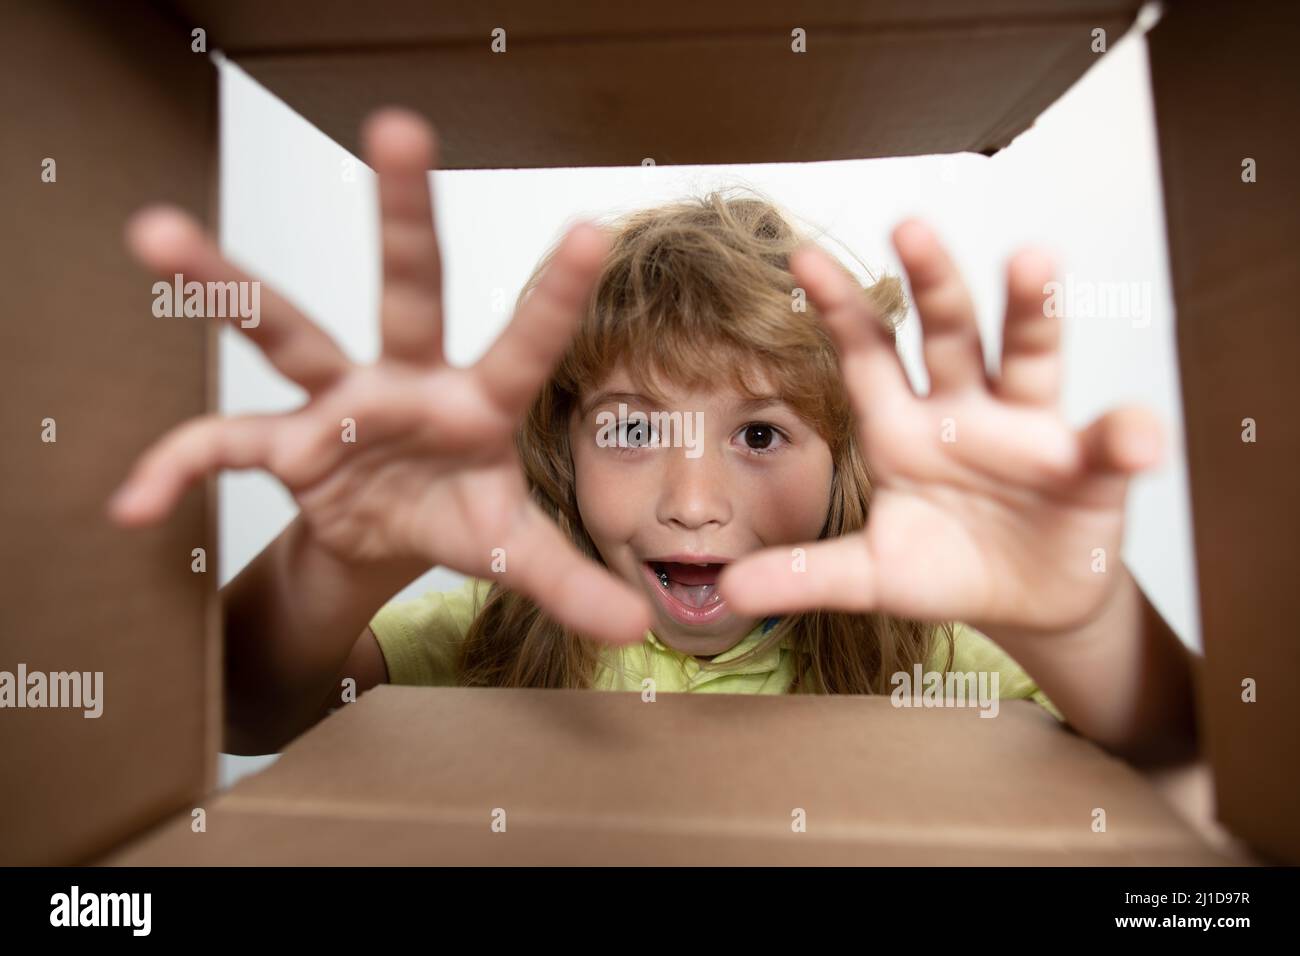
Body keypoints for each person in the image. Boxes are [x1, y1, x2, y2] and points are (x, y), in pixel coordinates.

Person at [107, 109, 1198, 764]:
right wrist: (340, 555)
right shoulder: (492, 642)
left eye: (761, 434)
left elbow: (1188, 753)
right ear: (557, 447)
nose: (691, 498)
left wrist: (1087, 617)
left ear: (847, 462)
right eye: (632, 425)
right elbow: (238, 710)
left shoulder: (932, 659)